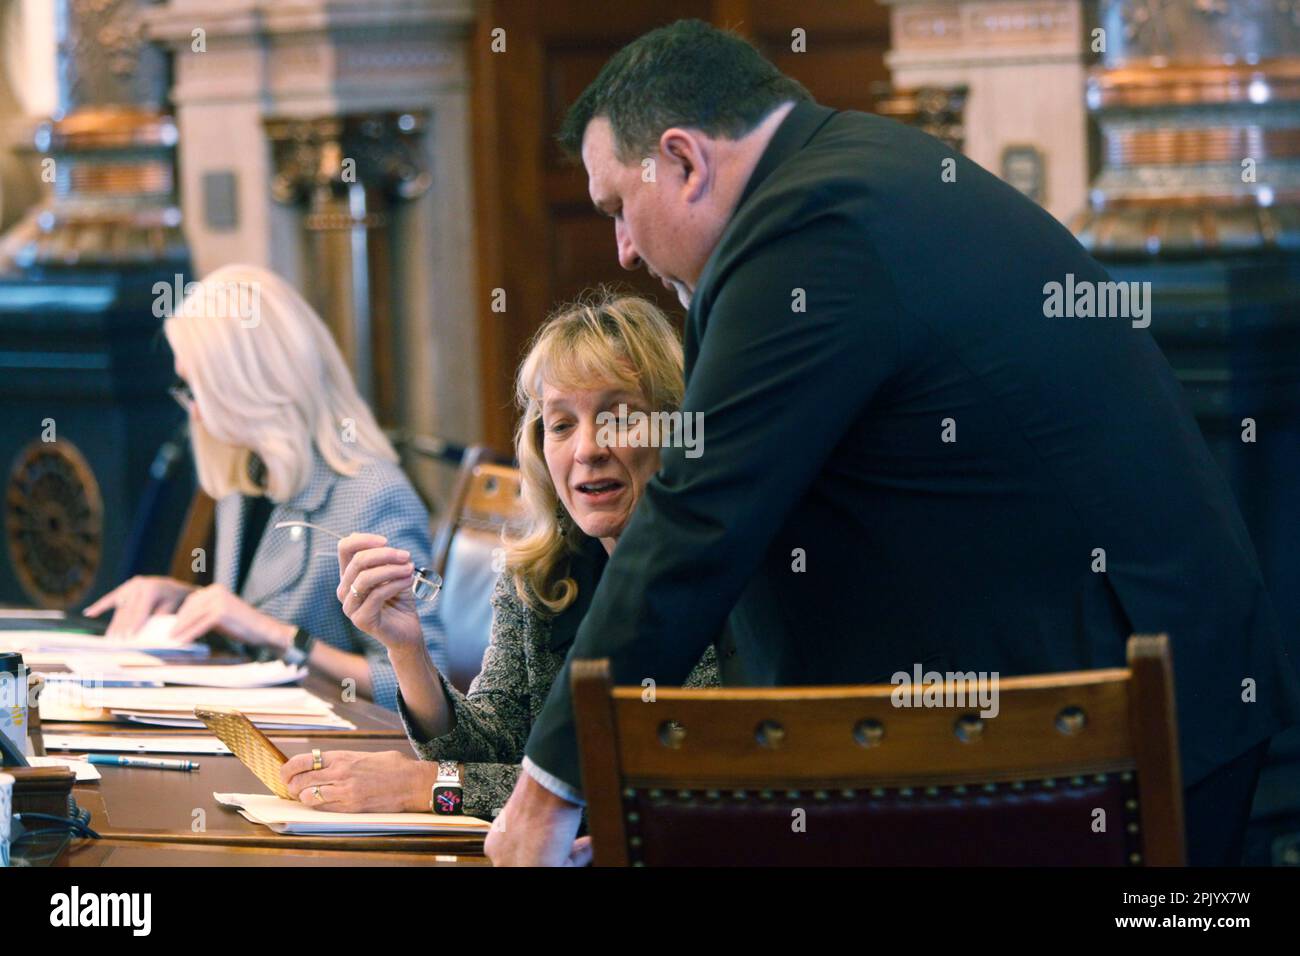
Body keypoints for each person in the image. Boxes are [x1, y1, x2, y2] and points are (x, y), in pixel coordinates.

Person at [486, 20, 1300, 866]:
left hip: (1121, 714)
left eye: (620, 207)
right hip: (1105, 693)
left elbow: (698, 518)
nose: (620, 246)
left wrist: (546, 795)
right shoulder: (848, 178)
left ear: (685, 161)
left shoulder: (805, 229)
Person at [279, 293, 719, 822]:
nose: (586, 449)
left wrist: (426, 787)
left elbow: (645, 786)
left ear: (674, 429)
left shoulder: (718, 575)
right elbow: (495, 745)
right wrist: (406, 648)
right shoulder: (539, 571)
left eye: (619, 417)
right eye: (560, 424)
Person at [86, 264, 447, 710]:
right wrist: (185, 599)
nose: (193, 412)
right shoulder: (250, 474)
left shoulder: (372, 495)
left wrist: (277, 636)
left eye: (194, 388)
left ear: (245, 387)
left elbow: (426, 688)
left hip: (336, 753)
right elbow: (246, 617)